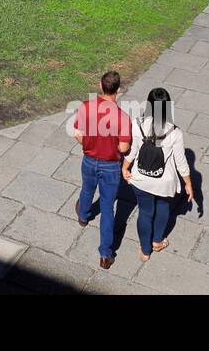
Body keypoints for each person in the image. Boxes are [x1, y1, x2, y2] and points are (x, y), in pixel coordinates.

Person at [122, 88, 195, 262]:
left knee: (145, 212)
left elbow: (132, 151)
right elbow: (181, 163)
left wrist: (125, 167)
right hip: (164, 182)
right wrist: (188, 184)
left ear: (148, 105)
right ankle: (157, 241)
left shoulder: (137, 124)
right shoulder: (175, 132)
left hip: (141, 179)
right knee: (163, 208)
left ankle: (145, 251)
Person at [71, 70, 132, 270]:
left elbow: (78, 134)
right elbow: (123, 148)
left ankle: (84, 216)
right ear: (119, 90)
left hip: (89, 160)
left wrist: (88, 143)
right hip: (111, 166)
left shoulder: (86, 107)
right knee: (107, 207)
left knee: (87, 190)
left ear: (100, 85)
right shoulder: (122, 117)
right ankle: (106, 254)